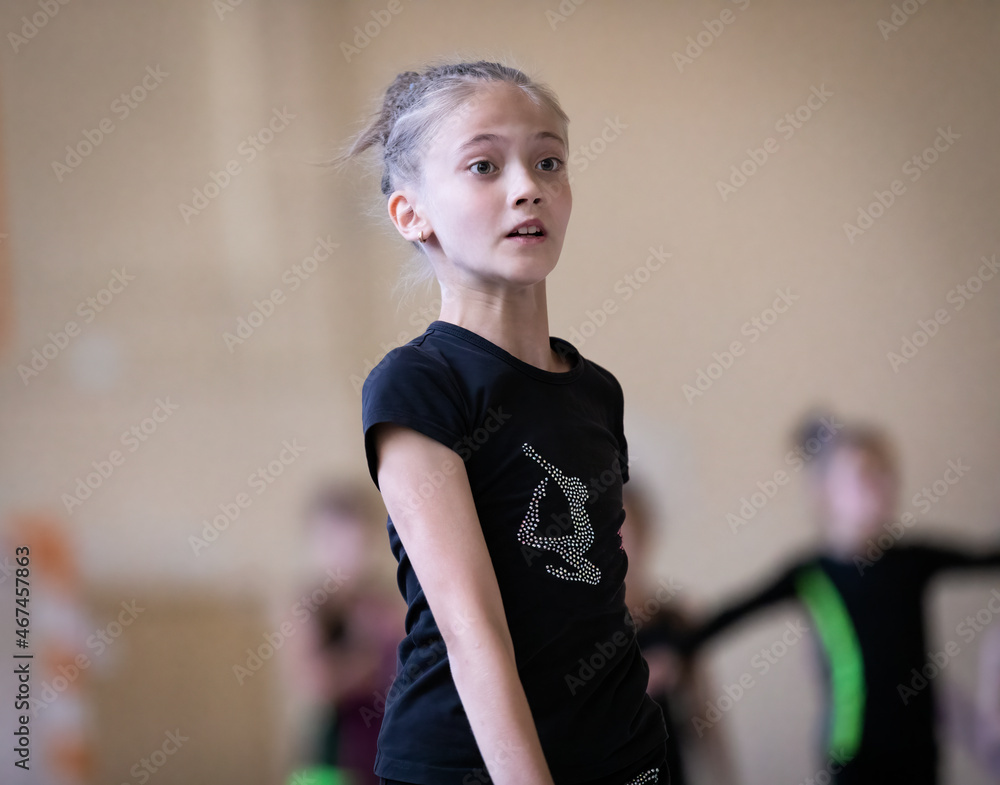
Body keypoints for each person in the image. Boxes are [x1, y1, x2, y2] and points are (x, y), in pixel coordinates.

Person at [334, 59, 668, 785]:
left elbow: (596, 598)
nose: (528, 187)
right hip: (473, 763)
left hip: (624, 757)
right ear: (411, 213)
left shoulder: (595, 390)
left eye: (549, 162)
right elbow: (472, 632)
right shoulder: (418, 384)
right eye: (484, 166)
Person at [675, 416, 1000, 785]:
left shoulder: (914, 560)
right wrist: (672, 648)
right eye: (865, 476)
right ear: (827, 493)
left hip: (920, 750)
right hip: (854, 753)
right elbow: (730, 616)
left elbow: (987, 558)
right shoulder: (812, 575)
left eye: (886, 474)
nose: (881, 486)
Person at [620, 478, 736, 785]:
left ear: (645, 533)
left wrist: (725, 775)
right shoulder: (588, 634)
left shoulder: (674, 619)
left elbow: (704, 710)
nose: (620, 542)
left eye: (627, 529)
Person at [287, 482, 403, 785]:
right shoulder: (312, 606)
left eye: (355, 546)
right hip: (334, 753)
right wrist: (369, 652)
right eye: (334, 545)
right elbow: (316, 684)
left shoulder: (383, 601)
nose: (346, 558)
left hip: (382, 748)